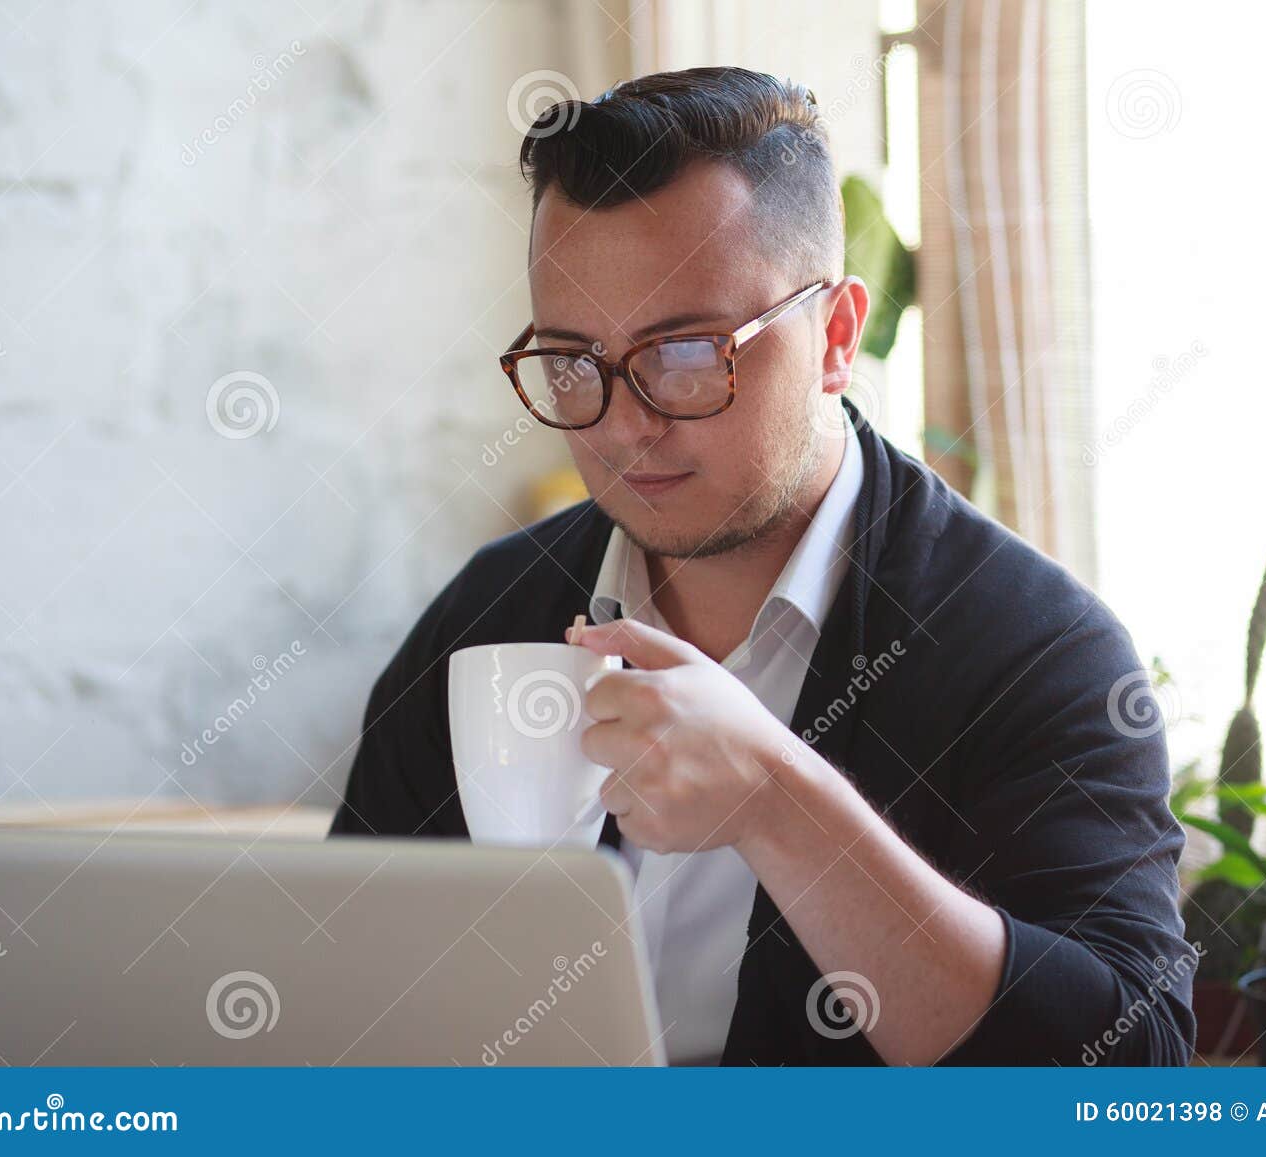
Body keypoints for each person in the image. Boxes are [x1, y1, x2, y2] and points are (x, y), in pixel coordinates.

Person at [330, 65, 1195, 1066]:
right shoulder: (491, 616)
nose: (622, 425)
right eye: (572, 360)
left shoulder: (1034, 650)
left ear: (835, 335)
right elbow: (345, 980)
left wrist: (779, 799)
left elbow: (1134, 1072)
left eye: (689, 352)